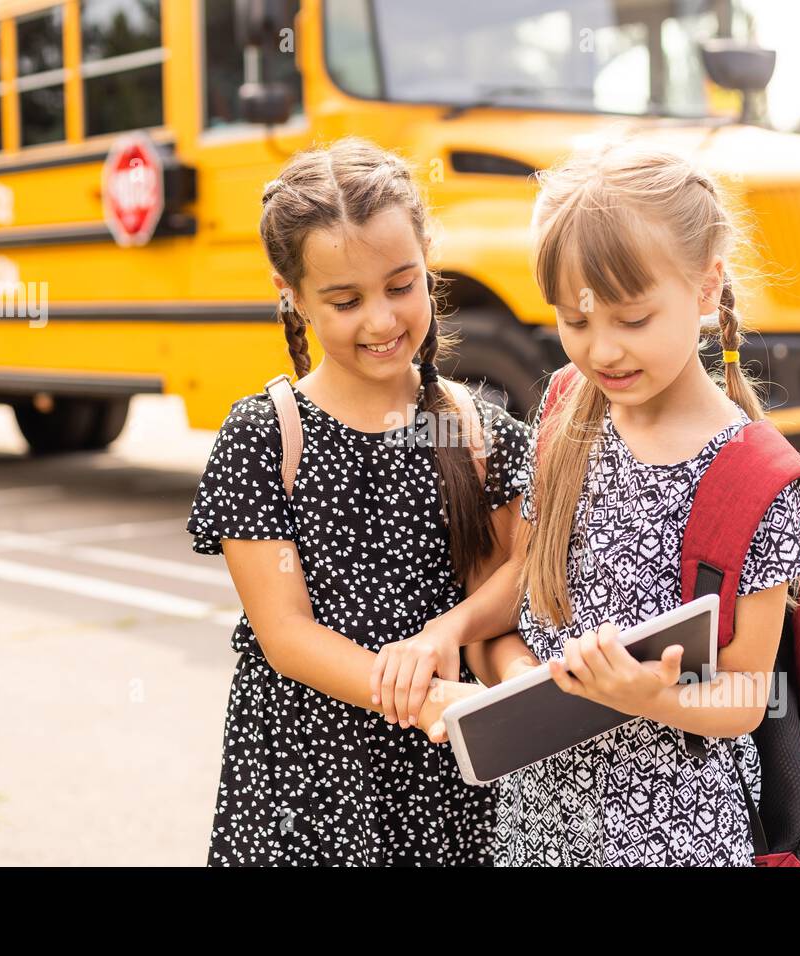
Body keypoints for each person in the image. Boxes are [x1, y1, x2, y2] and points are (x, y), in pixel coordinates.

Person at [437, 136, 800, 866]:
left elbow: (744, 698)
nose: (603, 351)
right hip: (539, 827)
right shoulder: (562, 410)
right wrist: (512, 678)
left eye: (632, 320)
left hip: (678, 840)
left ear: (706, 290)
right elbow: (526, 593)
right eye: (575, 322)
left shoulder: (755, 475)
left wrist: (644, 694)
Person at [185, 137, 531, 866]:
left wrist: (445, 634)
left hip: (443, 784)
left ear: (427, 259)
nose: (381, 321)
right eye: (345, 301)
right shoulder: (265, 436)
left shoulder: (475, 427)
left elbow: (522, 577)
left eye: (402, 286)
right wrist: (425, 697)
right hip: (306, 783)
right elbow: (286, 636)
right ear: (291, 293)